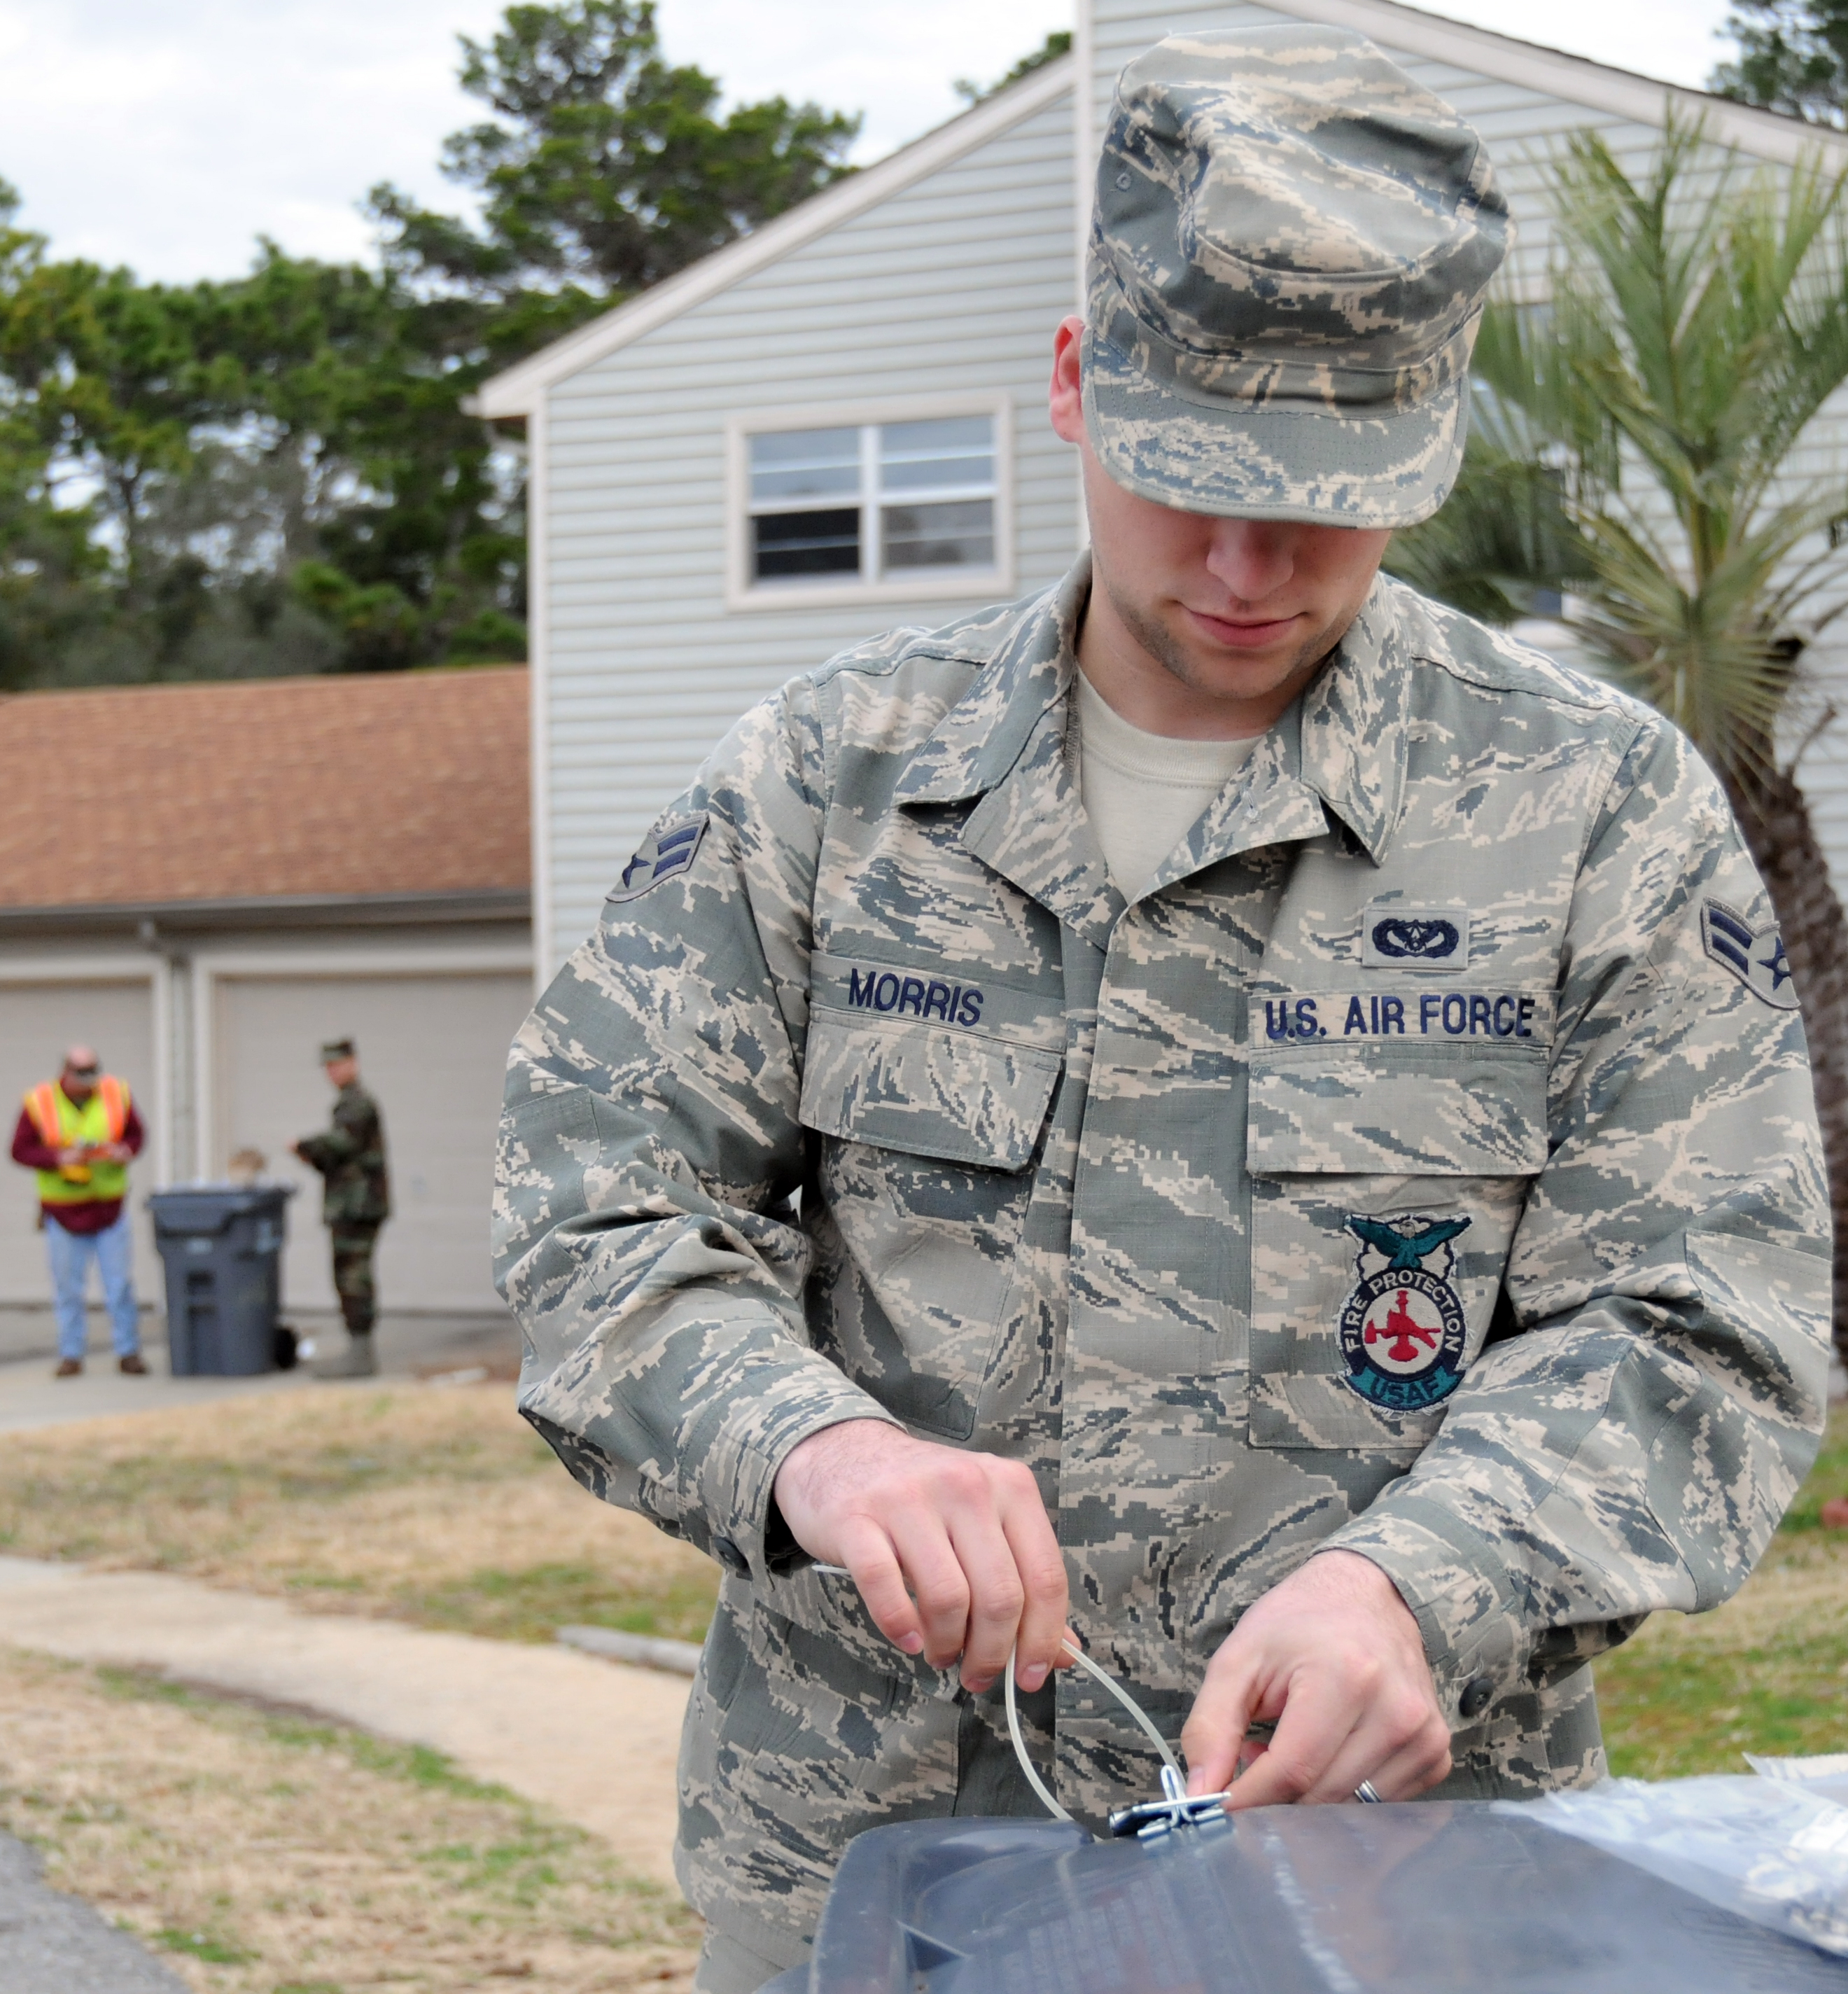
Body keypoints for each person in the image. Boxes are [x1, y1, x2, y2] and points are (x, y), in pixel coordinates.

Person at [494, 29, 1833, 1993]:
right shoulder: (831, 777)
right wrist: (814, 1447)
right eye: (1191, 476)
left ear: (1434, 442)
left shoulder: (1589, 811)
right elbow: (589, 1205)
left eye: (1323, 499)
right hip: (877, 1884)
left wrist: (1419, 1584)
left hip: (1386, 1899)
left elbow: (1708, 1317)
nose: (1241, 563)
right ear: (1073, 383)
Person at [10, 1044, 148, 1378]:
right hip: (63, 1212)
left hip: (109, 1207)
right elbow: (20, 1150)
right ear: (66, 1073)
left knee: (119, 1286)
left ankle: (128, 1352)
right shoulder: (40, 1101)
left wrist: (123, 1151)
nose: (89, 1082)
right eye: (81, 1075)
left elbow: (136, 1135)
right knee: (68, 1288)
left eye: (93, 1074)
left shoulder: (117, 1093)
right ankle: (71, 1354)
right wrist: (58, 1158)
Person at [292, 1038, 390, 1379]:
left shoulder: (356, 1104)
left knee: (353, 1277)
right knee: (348, 1275)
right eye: (328, 1067)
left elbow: (341, 1146)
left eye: (337, 1065)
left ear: (353, 1063)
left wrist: (306, 1146)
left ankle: (361, 1354)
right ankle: (358, 1349)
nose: (332, 1072)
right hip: (351, 1204)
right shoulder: (349, 1103)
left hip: (357, 1206)